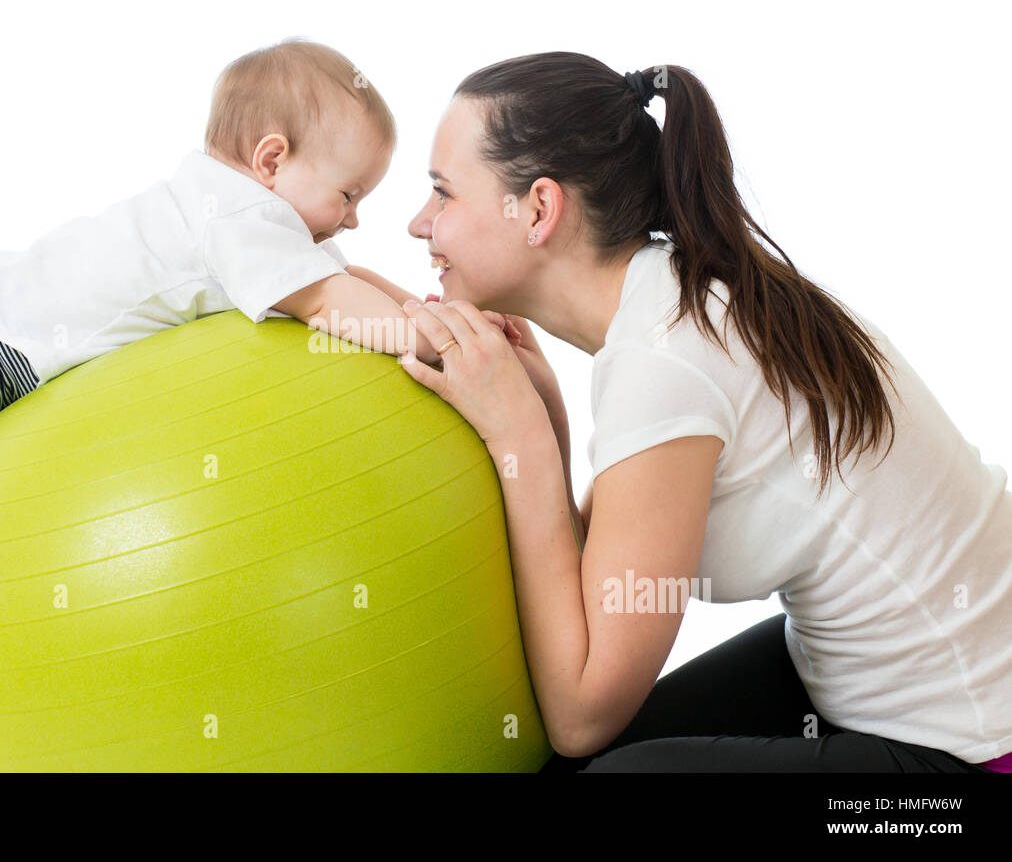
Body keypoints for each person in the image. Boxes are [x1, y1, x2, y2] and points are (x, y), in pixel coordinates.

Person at [0, 38, 491, 651]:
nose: (353, 218)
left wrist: (426, 310)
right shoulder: (239, 223)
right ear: (271, 160)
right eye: (350, 194)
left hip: (5, 331)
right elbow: (328, 299)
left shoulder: (249, 216)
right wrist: (424, 341)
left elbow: (343, 275)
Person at [393, 51, 1012, 772]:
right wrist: (547, 419)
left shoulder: (666, 357)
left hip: (976, 751)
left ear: (538, 209)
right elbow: (595, 586)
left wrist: (521, 437)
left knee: (607, 774)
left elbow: (581, 713)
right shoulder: (676, 299)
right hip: (874, 691)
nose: (417, 223)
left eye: (442, 193)